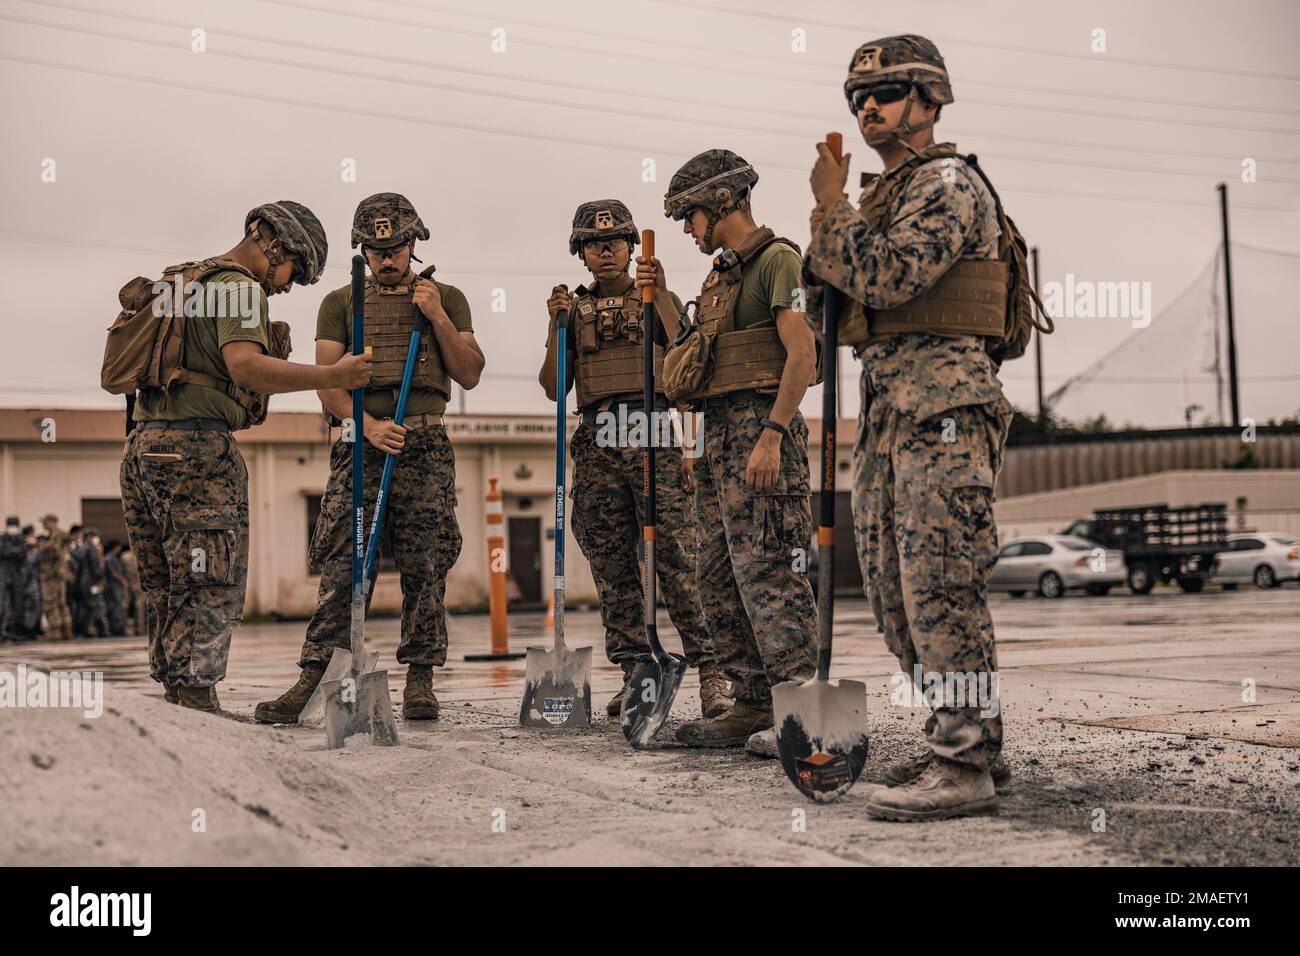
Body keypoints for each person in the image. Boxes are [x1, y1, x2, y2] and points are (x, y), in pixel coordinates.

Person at [804, 35, 1015, 819]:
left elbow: (886, 276)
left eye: (888, 92)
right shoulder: (883, 196)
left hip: (946, 409)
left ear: (930, 101)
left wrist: (829, 210)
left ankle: (965, 766)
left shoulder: (947, 184)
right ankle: (963, 744)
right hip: (892, 409)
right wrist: (832, 228)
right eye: (859, 96)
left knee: (941, 588)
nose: (868, 107)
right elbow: (835, 294)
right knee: (895, 593)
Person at [118, 200, 372, 713]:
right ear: (274, 244)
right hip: (196, 453)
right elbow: (247, 368)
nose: (287, 286)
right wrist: (331, 376)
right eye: (294, 272)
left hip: (143, 447)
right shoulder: (238, 289)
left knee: (168, 581)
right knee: (209, 576)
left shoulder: (182, 282)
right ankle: (197, 699)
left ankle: (176, 698)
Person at [255, 193, 481, 725]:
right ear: (362, 249)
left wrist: (436, 317)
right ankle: (317, 674)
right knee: (343, 561)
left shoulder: (446, 296)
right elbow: (329, 382)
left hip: (422, 446)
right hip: (360, 447)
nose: (386, 259)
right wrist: (367, 427)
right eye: (375, 249)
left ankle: (421, 676)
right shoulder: (341, 302)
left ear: (413, 245)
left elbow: (469, 371)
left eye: (396, 248)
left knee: (426, 562)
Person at [538, 200, 730, 719]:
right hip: (599, 439)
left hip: (654, 435)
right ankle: (635, 671)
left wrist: (662, 294)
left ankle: (712, 670)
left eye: (615, 243)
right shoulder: (573, 312)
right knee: (612, 563)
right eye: (594, 245)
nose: (605, 252)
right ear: (581, 253)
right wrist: (555, 328)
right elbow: (556, 387)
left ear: (630, 249)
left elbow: (692, 359)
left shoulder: (655, 299)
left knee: (677, 558)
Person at [653, 149, 819, 748]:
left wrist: (773, 435)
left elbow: (801, 354)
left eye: (690, 215)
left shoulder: (778, 263)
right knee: (718, 576)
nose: (686, 228)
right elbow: (695, 360)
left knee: (771, 569)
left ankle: (799, 707)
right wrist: (666, 297)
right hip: (721, 439)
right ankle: (751, 702)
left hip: (761, 434)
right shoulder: (720, 276)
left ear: (722, 202)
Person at [37, 514, 72, 640]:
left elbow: (54, 551)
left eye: (45, 522)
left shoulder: (56, 535)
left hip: (52, 574)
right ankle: (65, 629)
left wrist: (41, 546)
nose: (43, 525)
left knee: (51, 602)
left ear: (52, 522)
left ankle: (55, 631)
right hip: (58, 573)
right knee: (61, 602)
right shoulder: (60, 535)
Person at [77, 529, 110, 638]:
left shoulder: (80, 549)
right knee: (98, 605)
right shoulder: (90, 549)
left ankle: (86, 630)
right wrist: (99, 580)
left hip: (84, 582)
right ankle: (103, 631)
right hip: (92, 582)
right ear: (89, 537)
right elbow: (96, 568)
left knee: (88, 607)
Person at [0, 516, 25, 639]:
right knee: (2, 604)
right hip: (3, 574)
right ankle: (2, 630)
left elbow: (23, 554)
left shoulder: (20, 539)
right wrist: (15, 551)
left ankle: (13, 631)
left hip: (16, 574)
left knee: (17, 603)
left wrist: (14, 551)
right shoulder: (2, 537)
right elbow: (3, 551)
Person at [104, 539, 129, 637]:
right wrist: (122, 581)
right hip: (113, 586)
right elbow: (113, 572)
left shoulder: (114, 557)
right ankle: (116, 628)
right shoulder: (109, 558)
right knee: (116, 606)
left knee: (116, 606)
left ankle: (117, 627)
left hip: (115, 586)